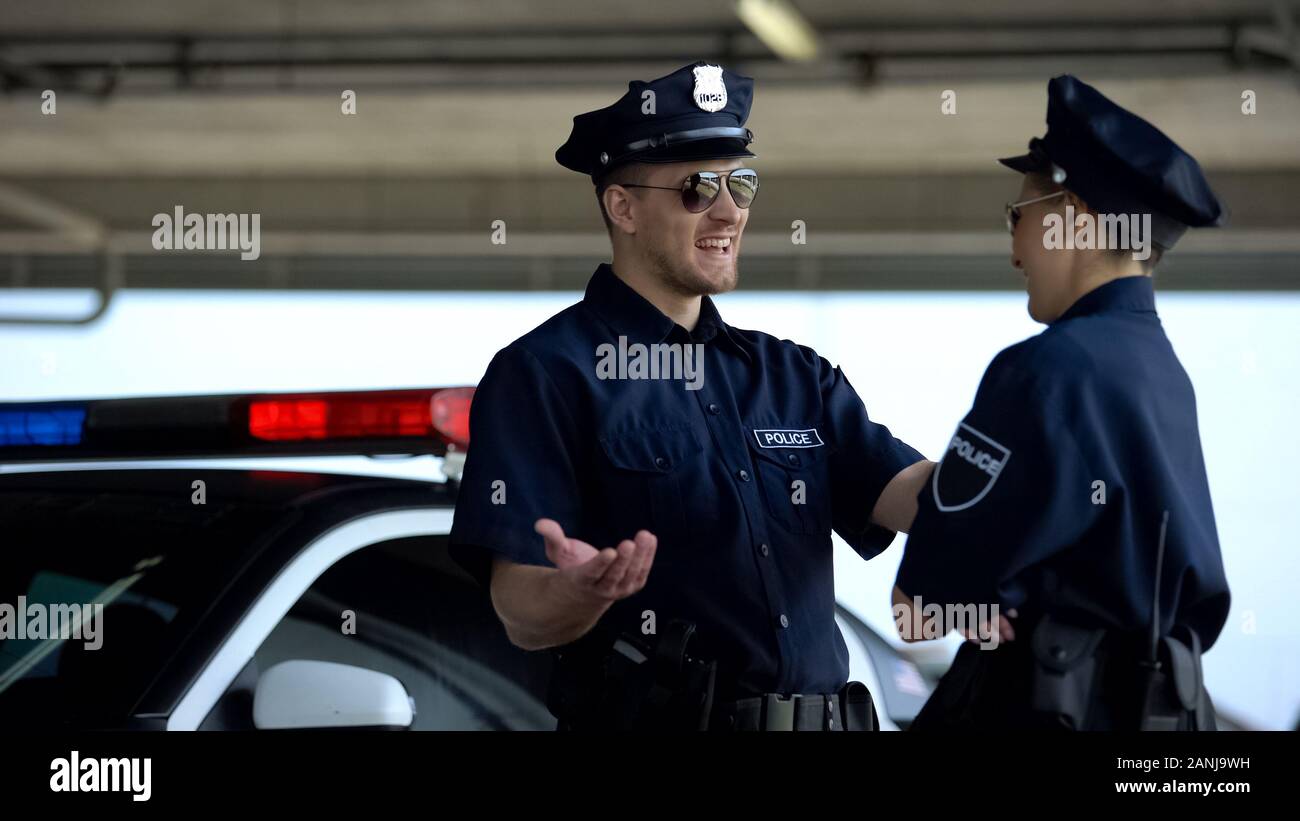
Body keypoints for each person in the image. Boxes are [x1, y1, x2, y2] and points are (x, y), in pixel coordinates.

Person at [448, 61, 933, 731]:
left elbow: (916, 494)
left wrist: (1022, 461)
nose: (730, 210)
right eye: (699, 188)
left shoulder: (794, 376)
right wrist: (580, 591)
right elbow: (519, 610)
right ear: (623, 207)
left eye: (743, 183)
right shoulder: (544, 374)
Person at [894, 75, 1231, 730]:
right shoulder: (1166, 374)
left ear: (1073, 215)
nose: (1013, 244)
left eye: (1018, 215)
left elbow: (918, 608)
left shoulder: (1045, 371)